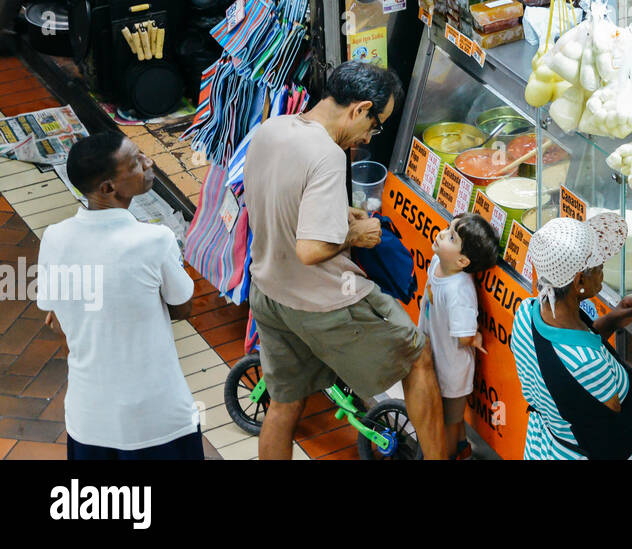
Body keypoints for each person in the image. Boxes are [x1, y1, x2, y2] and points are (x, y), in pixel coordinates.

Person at [243, 61, 445, 459]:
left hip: (267, 291)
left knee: (284, 404)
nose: (369, 136)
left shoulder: (272, 128)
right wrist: (354, 234)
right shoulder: (329, 156)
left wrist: (338, 217)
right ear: (359, 109)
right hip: (324, 304)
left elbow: (278, 202)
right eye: (375, 124)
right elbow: (310, 250)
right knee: (417, 356)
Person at [37, 133, 201, 460]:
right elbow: (183, 307)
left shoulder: (54, 239)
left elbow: (55, 319)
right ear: (108, 189)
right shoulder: (155, 240)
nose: (148, 163)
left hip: (89, 419)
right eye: (136, 162)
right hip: (157, 419)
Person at [510, 211, 632, 459]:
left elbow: (566, 353)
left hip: (545, 446)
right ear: (579, 280)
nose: (602, 271)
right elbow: (613, 421)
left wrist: (611, 320)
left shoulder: (526, 313)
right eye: (599, 267)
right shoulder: (589, 365)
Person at [417, 213, 497, 459]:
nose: (442, 233)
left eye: (451, 236)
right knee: (447, 416)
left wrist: (475, 338)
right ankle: (462, 446)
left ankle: (449, 453)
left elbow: (463, 337)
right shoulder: (437, 261)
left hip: (452, 372)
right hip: (435, 356)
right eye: (447, 228)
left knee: (450, 420)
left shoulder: (460, 291)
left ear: (462, 260)